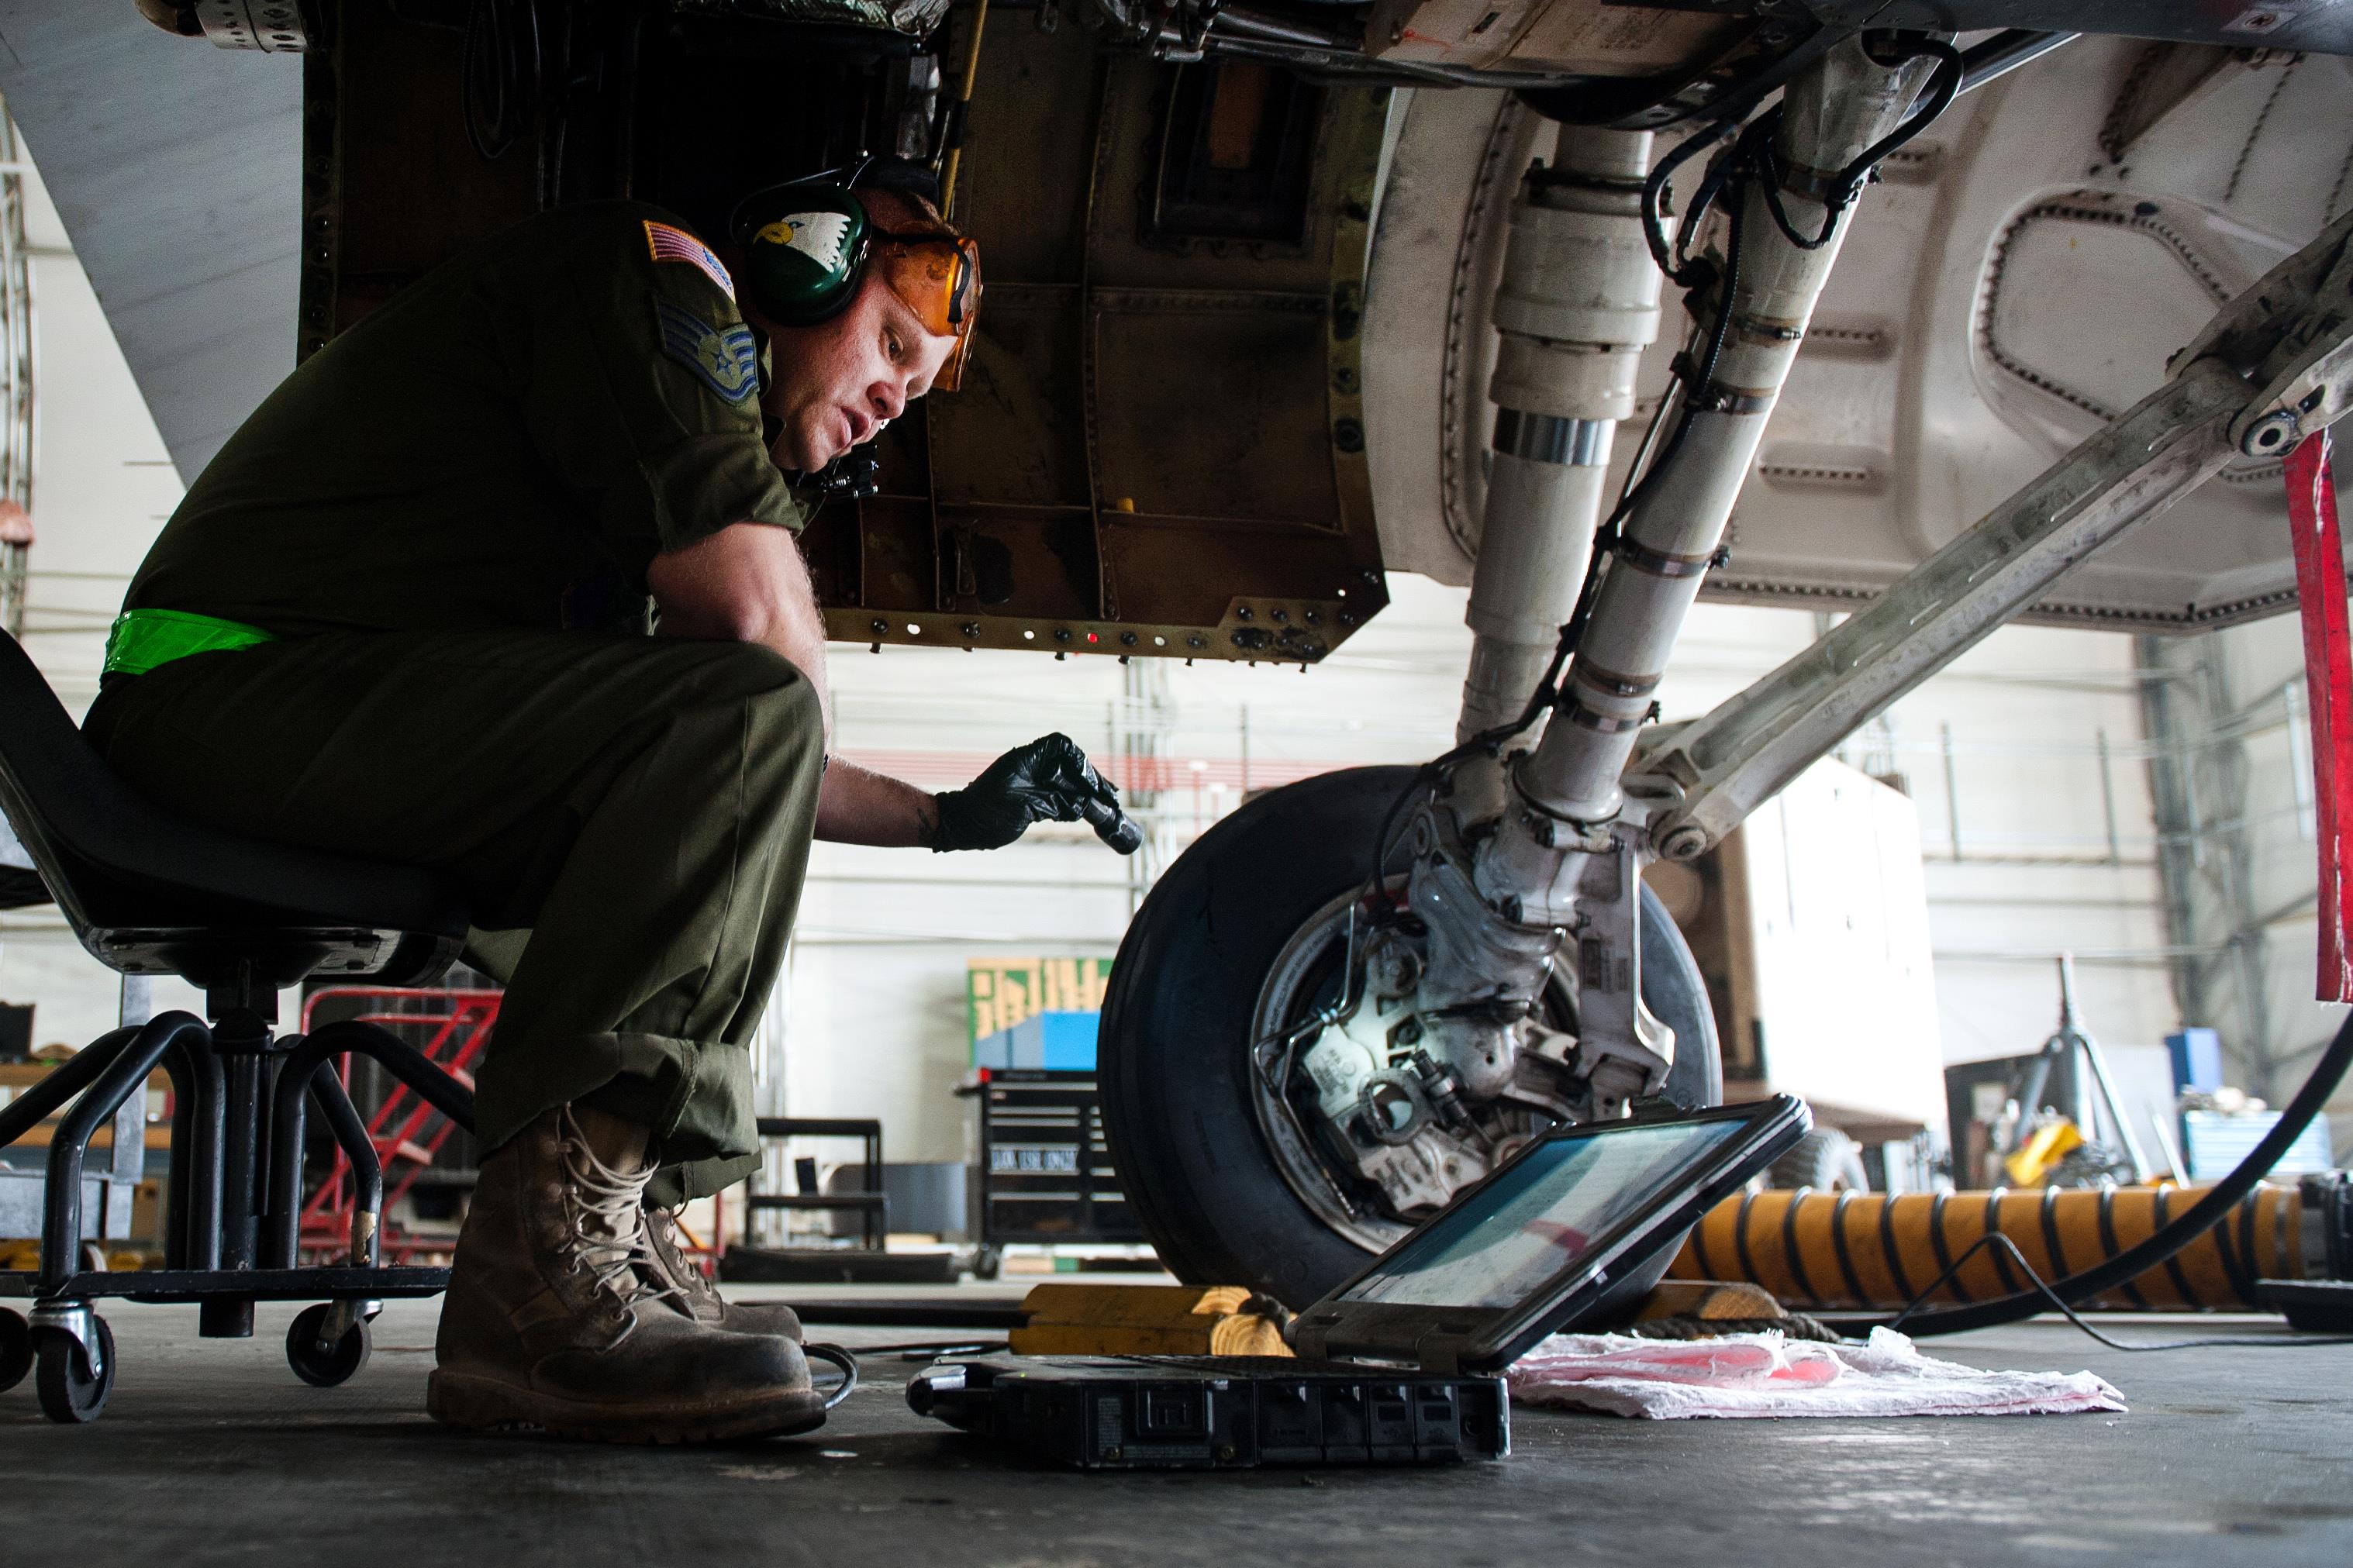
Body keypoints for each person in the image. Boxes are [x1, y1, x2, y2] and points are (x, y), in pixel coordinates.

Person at [83, 167, 1123, 1443]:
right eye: (889, 347)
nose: (887, 402)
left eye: (910, 393)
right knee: (738, 718)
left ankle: (610, 1228)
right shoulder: (659, 286)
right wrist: (773, 696)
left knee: (719, 759)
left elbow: (744, 767)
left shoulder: (669, 462)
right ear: (804, 267)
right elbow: (757, 669)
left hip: (314, 717)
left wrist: (950, 817)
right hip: (216, 700)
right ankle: (540, 1291)